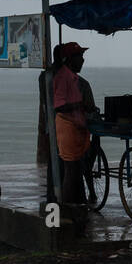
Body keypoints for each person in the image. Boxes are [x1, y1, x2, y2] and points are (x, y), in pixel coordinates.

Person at [52, 41, 92, 207]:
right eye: (79, 57)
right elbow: (59, 105)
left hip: (75, 128)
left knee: (75, 171)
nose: (82, 60)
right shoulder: (63, 77)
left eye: (82, 56)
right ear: (69, 59)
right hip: (67, 127)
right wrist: (81, 105)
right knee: (71, 171)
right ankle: (67, 209)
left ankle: (76, 205)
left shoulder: (73, 78)